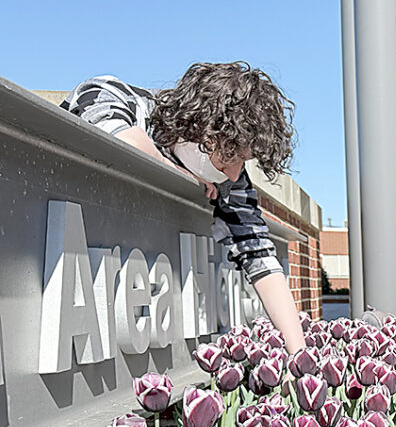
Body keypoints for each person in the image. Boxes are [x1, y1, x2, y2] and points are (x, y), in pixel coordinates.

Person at [61, 62, 306, 354]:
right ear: (204, 129)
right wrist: (172, 169)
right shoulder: (121, 98)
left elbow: (262, 259)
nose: (233, 173)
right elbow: (111, 129)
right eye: (231, 156)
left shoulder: (231, 181)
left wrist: (299, 356)